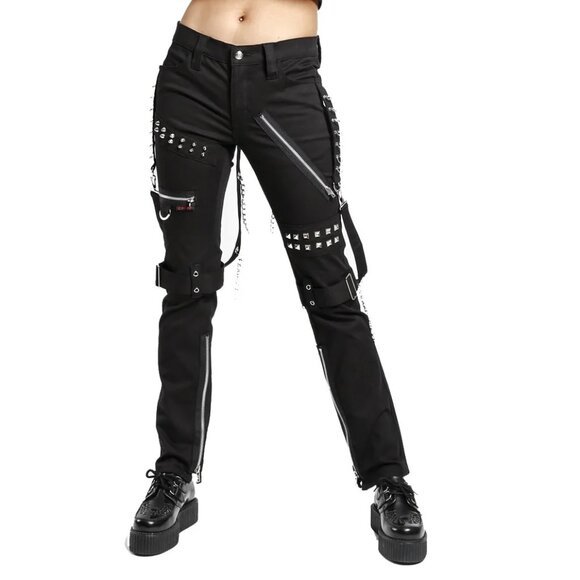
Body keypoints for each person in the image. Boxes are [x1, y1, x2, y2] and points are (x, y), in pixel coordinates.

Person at [128, 0, 427, 564]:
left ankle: (390, 479)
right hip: (192, 71)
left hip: (285, 81)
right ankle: (174, 475)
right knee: (187, 286)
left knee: (331, 290)